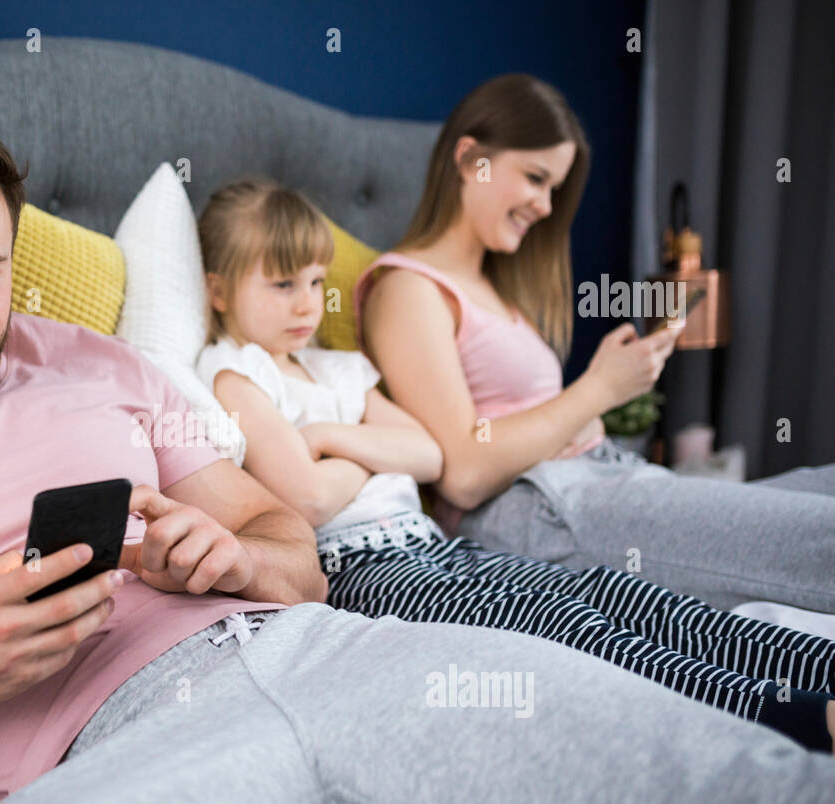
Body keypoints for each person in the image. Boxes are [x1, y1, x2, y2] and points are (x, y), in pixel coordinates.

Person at [0, 104, 835, 804]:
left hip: (320, 652)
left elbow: (290, 542)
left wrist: (236, 553)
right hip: (118, 756)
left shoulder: (105, 363)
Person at [193, 178, 835, 755]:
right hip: (361, 568)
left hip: (432, 543)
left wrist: (330, 436)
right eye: (282, 284)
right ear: (218, 289)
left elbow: (430, 455)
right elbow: (305, 499)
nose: (308, 304)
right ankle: (789, 717)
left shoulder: (340, 371)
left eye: (315, 281)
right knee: (565, 628)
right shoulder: (231, 373)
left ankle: (816, 669)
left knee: (614, 593)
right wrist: (368, 447)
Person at [353, 73, 835, 616]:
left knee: (822, 490)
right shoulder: (407, 288)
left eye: (553, 189)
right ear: (469, 159)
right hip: (536, 506)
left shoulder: (495, 289)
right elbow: (463, 473)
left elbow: (529, 420)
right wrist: (598, 390)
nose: (544, 205)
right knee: (816, 540)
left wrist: (588, 415)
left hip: (591, 478)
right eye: (535, 178)